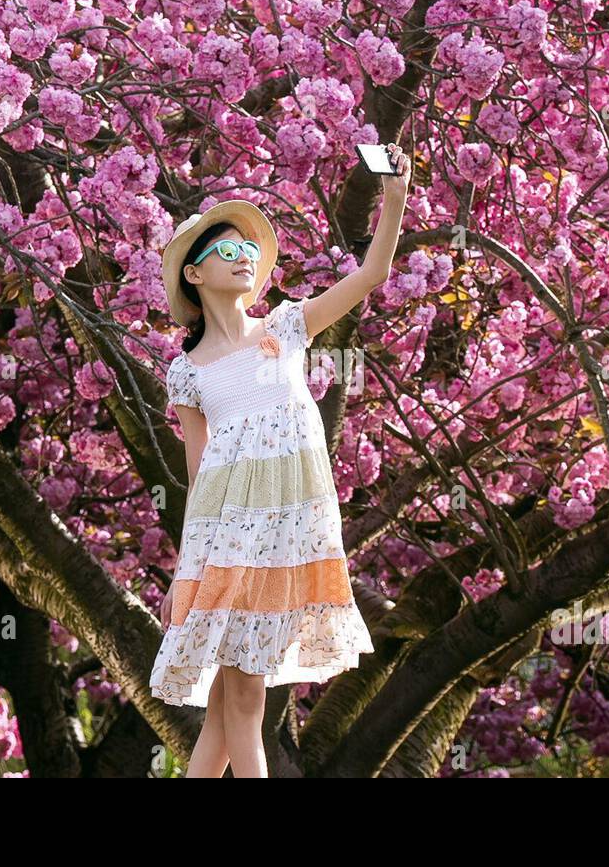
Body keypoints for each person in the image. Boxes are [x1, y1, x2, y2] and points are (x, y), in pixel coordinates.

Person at [151, 142, 412, 777]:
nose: (244, 259)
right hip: (226, 534)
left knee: (233, 700)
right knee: (234, 699)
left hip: (288, 529)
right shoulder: (187, 372)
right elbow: (197, 473)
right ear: (195, 273)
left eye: (249, 252)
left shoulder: (288, 328)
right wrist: (187, 572)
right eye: (228, 251)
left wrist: (397, 192)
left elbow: (371, 274)